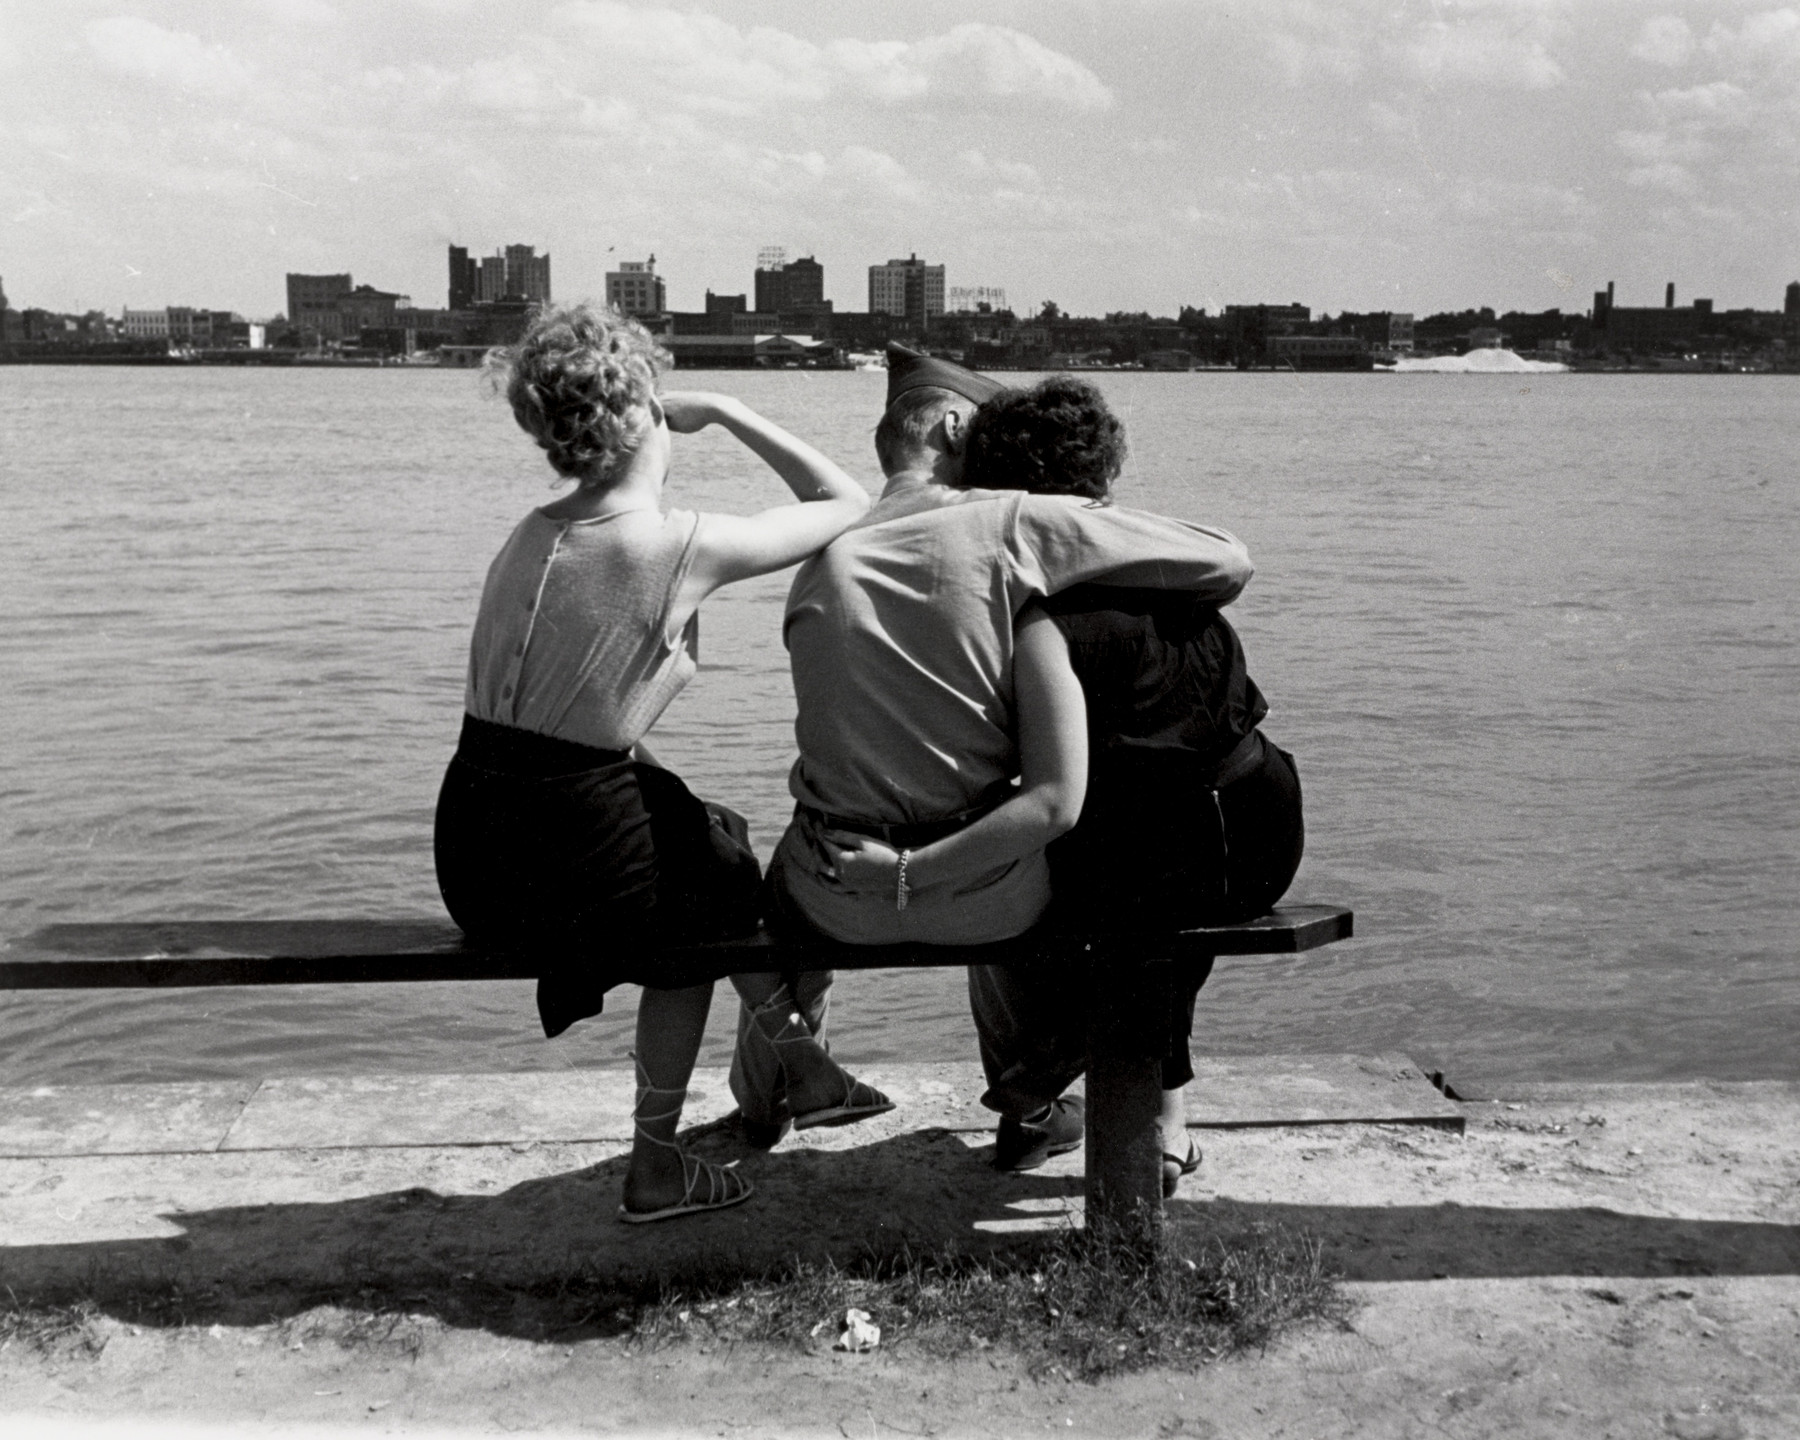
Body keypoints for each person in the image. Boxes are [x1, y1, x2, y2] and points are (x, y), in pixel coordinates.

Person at [737, 343, 1255, 1170]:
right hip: (985, 900)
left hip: (832, 892)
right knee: (1023, 845)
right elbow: (1227, 558)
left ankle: (768, 1101)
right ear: (951, 425)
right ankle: (1032, 1105)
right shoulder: (1011, 521)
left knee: (778, 870)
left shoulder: (822, 546)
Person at [434, 301, 891, 1225]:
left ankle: (798, 1064)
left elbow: (558, 734)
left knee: (705, 840)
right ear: (641, 411)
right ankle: (663, 1159)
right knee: (705, 896)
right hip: (564, 847)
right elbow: (849, 506)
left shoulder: (527, 536)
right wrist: (727, 409)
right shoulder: (674, 545)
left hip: (475, 845)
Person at [956, 375, 1305, 1197]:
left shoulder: (1039, 616)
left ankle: (1035, 1087)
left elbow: (1035, 788)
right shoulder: (1184, 573)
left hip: (1156, 854)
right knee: (1160, 907)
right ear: (1105, 480)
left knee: (1007, 870)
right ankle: (1167, 1124)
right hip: (1261, 834)